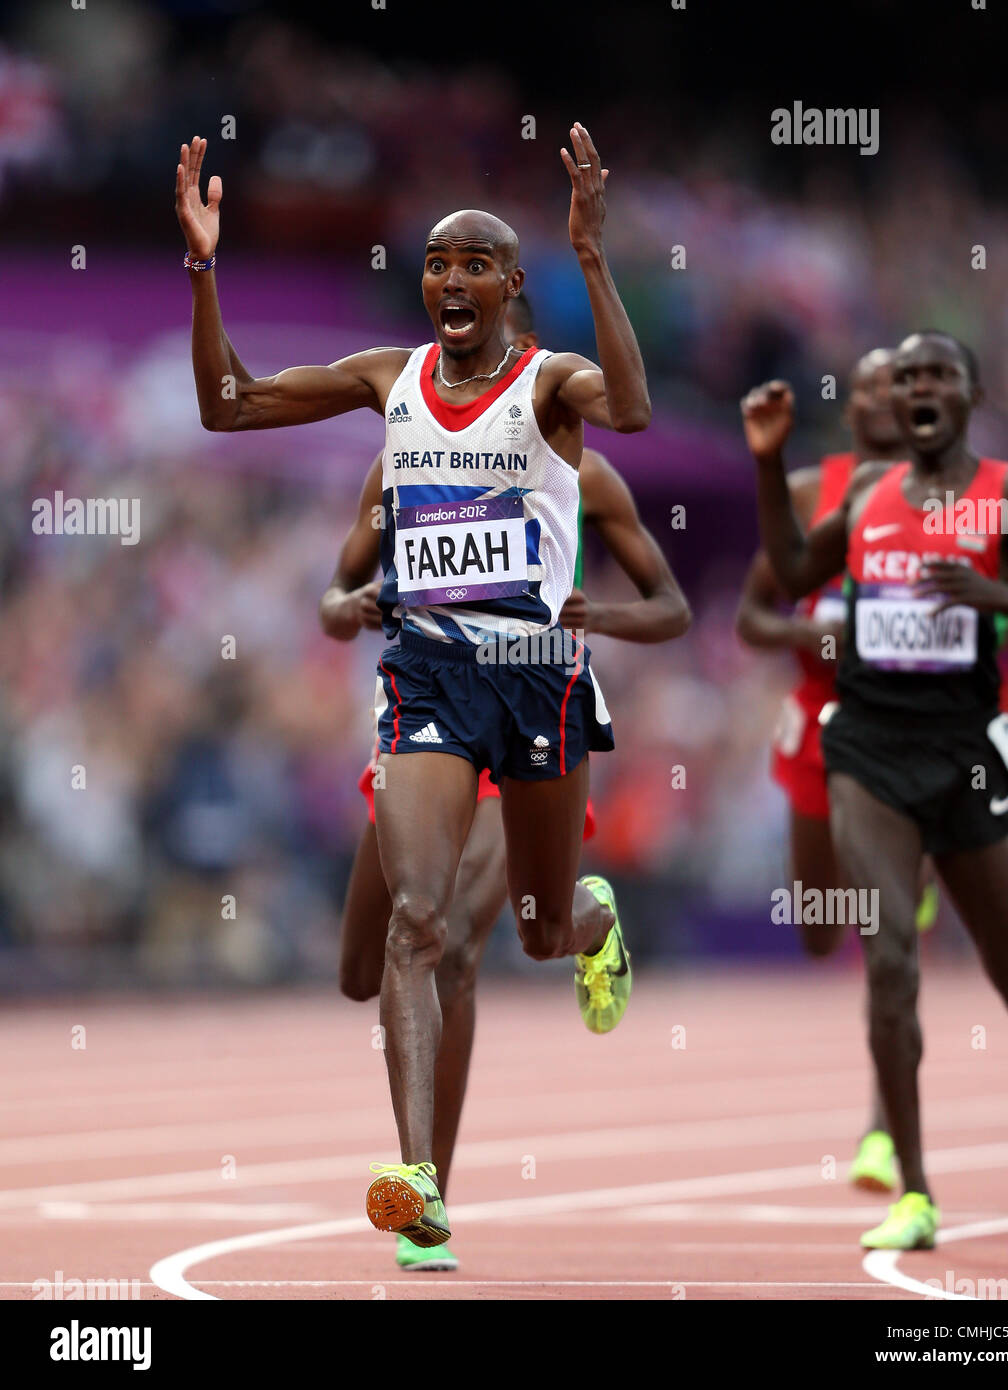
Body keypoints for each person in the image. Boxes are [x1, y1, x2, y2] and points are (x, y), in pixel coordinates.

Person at [176, 122, 652, 1250]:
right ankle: (417, 1181)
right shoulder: (386, 379)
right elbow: (226, 404)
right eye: (437, 262)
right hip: (430, 673)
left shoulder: (550, 384)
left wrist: (594, 255)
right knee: (418, 923)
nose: (450, 278)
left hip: (535, 669)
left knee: (538, 928)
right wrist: (202, 269)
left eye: (474, 262)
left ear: (510, 286)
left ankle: (596, 927)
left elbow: (629, 409)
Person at [322, 298, 690, 1270]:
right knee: (363, 967)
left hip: (524, 714)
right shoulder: (404, 454)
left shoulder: (584, 471)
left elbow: (673, 609)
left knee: (447, 944)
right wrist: (348, 602)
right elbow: (334, 590)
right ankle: (585, 917)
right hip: (418, 719)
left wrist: (595, 615)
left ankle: (422, 1191)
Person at [742, 330, 1008, 1250]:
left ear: (971, 393)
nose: (921, 388)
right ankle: (913, 1190)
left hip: (964, 753)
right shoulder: (871, 496)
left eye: (939, 375)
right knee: (887, 959)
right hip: (868, 750)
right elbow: (796, 574)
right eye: (908, 374)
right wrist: (768, 467)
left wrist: (1004, 602)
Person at [736, 348, 921, 1194]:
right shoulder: (814, 492)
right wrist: (802, 637)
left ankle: (885, 1134)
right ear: (848, 409)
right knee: (818, 930)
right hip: (817, 725)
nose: (882, 402)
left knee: (890, 942)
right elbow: (750, 617)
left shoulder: (955, 497)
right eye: (868, 390)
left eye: (900, 389)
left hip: (914, 733)